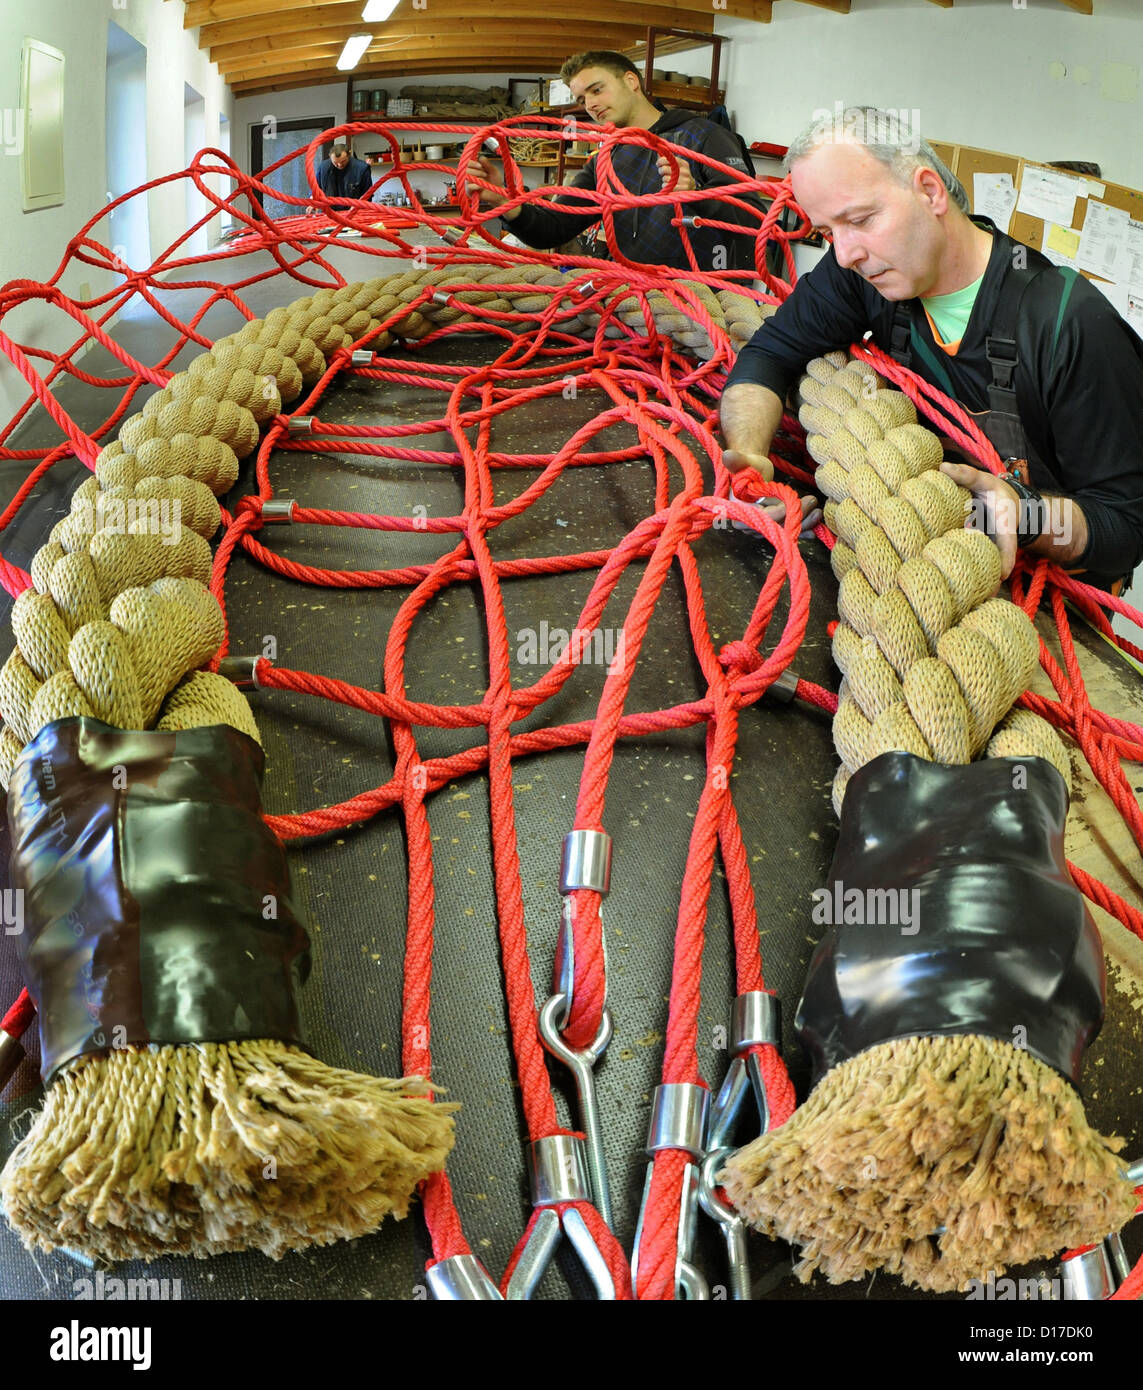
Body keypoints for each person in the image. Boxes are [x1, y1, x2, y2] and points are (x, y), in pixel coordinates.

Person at [720, 105, 1143, 591]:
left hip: (1047, 593)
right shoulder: (863, 274)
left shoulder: (1067, 322)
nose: (844, 253)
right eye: (826, 233)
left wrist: (1022, 513)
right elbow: (771, 353)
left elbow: (1126, 527)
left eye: (859, 220)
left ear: (929, 191)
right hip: (921, 546)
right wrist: (751, 456)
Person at [466, 50, 763, 273]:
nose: (590, 105)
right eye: (582, 99)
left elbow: (755, 220)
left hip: (705, 299)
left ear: (631, 81)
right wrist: (504, 201)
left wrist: (696, 192)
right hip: (635, 297)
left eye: (597, 90)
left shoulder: (704, 137)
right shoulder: (607, 157)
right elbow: (554, 228)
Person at [311, 144, 372, 211]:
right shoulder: (323, 168)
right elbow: (316, 188)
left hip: (354, 211)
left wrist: (359, 205)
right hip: (329, 211)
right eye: (335, 162)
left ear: (349, 156)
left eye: (343, 161)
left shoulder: (362, 169)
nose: (339, 165)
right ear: (330, 157)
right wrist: (312, 201)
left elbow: (368, 194)